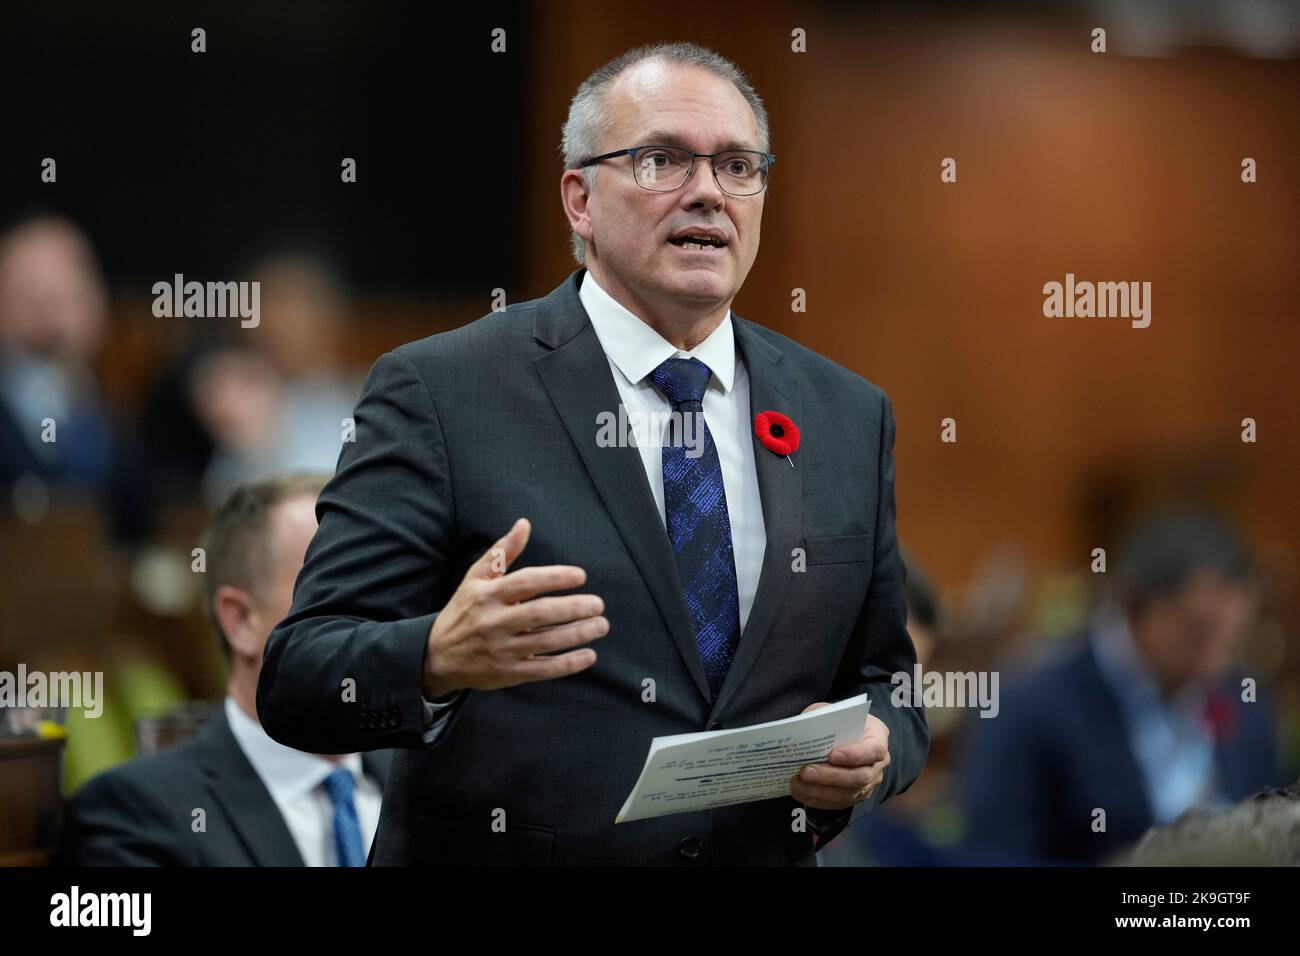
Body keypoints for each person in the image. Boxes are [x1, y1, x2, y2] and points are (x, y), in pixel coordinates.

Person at [258, 42, 929, 866]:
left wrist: (877, 750)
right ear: (579, 198)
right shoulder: (442, 392)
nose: (709, 193)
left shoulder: (847, 415)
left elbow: (889, 683)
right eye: (663, 160)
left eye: (737, 165)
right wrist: (435, 657)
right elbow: (300, 677)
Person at [61, 474, 393, 866]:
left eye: (379, 583)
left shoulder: (427, 780)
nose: (376, 613)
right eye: (333, 586)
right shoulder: (136, 813)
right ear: (240, 620)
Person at [962, 506, 1281, 864]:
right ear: (1132, 607)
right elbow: (995, 856)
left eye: (1231, 637)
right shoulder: (1026, 710)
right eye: (1197, 632)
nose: (1217, 659)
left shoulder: (1243, 699)